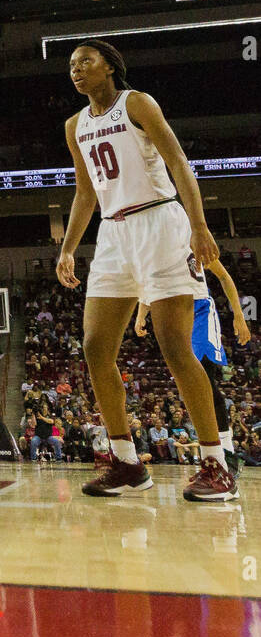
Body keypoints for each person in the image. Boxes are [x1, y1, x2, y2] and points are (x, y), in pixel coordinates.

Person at [57, 41, 235, 501]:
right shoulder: (75, 125)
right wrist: (68, 248)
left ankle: (216, 463)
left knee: (176, 347)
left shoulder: (137, 103)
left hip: (160, 221)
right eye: (72, 66)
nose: (76, 71)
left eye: (85, 62)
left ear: (110, 67)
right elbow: (84, 193)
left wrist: (198, 225)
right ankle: (127, 463)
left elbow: (178, 162)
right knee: (96, 347)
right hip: (114, 234)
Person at [134, 255, 250, 476]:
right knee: (190, 387)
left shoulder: (193, 239)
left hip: (200, 311)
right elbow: (149, 285)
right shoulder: (152, 244)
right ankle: (211, 452)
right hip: (172, 313)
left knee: (206, 381)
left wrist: (239, 315)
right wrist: (141, 314)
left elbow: (224, 277)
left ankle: (226, 449)